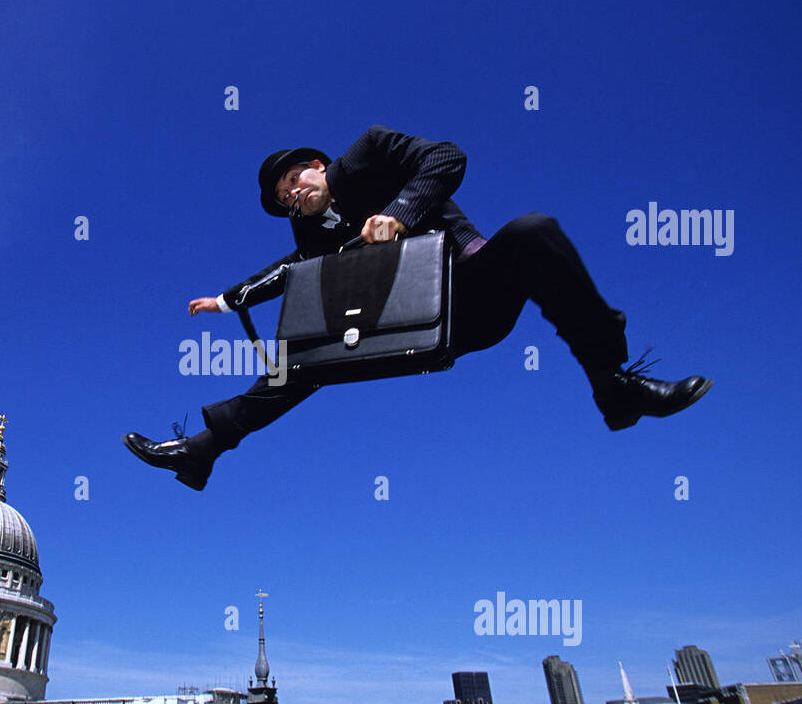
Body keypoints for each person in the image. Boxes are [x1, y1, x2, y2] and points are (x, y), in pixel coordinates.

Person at [123, 125, 712, 490]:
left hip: (468, 294)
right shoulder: (312, 239)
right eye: (284, 201)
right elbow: (287, 272)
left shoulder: (372, 151)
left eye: (294, 181)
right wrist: (228, 300)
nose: (293, 197)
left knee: (533, 231)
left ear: (319, 164)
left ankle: (613, 385)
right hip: (392, 325)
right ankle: (202, 451)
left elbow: (448, 157)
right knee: (303, 350)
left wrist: (400, 213)